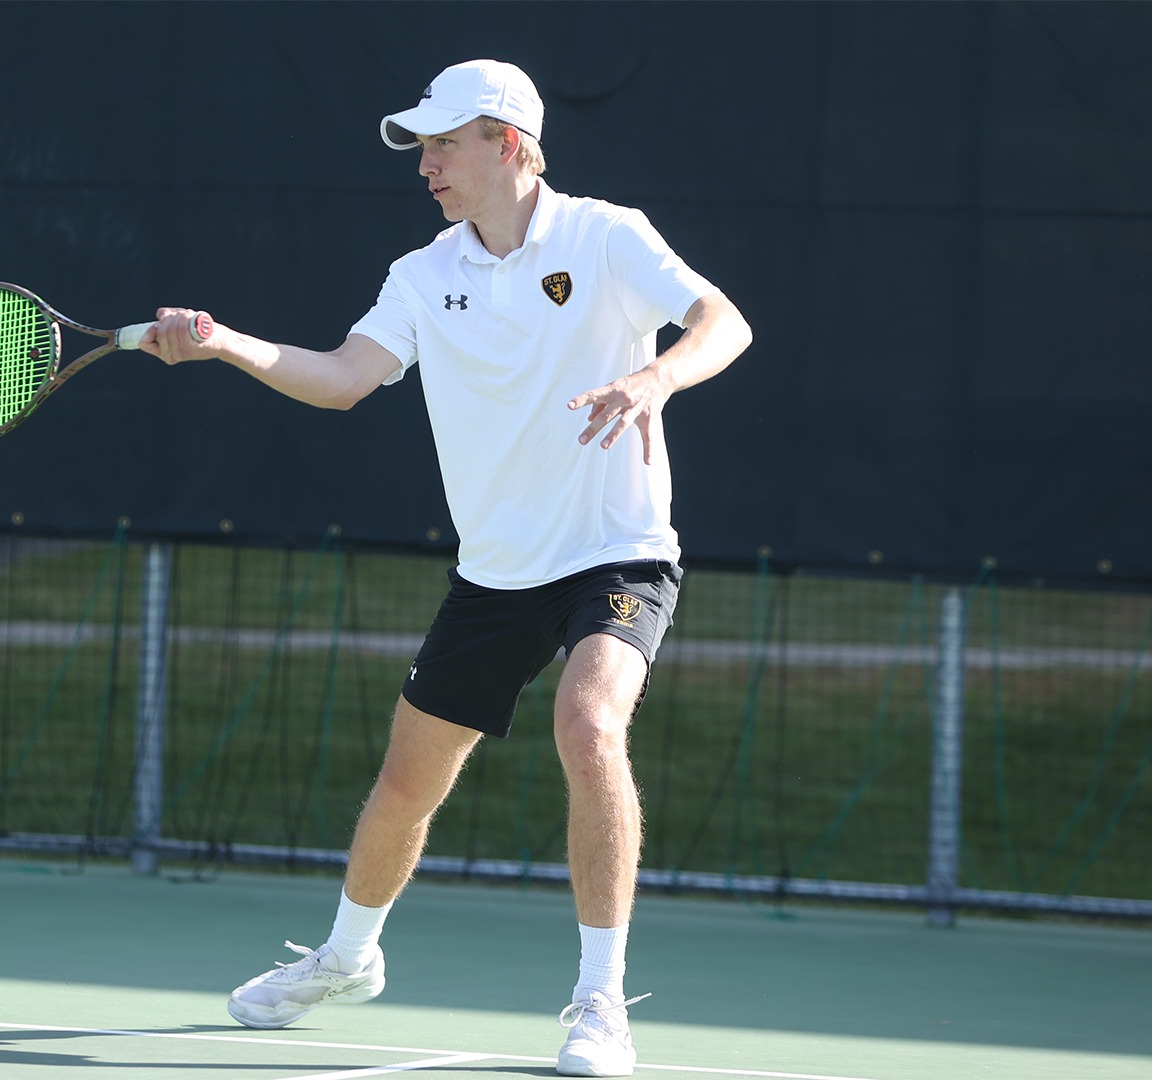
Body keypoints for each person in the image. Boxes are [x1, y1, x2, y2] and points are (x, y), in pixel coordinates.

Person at [136, 58, 752, 1079]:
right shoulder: (423, 276)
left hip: (618, 548)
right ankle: (347, 958)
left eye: (444, 144)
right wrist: (226, 344)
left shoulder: (608, 236)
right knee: (406, 784)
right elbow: (344, 378)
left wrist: (655, 377)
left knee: (589, 725)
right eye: (422, 148)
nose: (426, 165)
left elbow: (722, 322)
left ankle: (601, 1003)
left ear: (508, 144)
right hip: (496, 571)